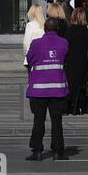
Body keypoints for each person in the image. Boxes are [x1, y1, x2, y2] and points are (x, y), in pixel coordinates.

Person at [25, 21, 70, 162]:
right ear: (57, 29)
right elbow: (66, 59)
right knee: (57, 121)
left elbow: (30, 59)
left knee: (39, 120)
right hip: (57, 88)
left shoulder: (36, 43)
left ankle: (37, 150)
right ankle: (58, 151)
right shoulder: (63, 43)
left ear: (44, 29)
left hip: (39, 89)